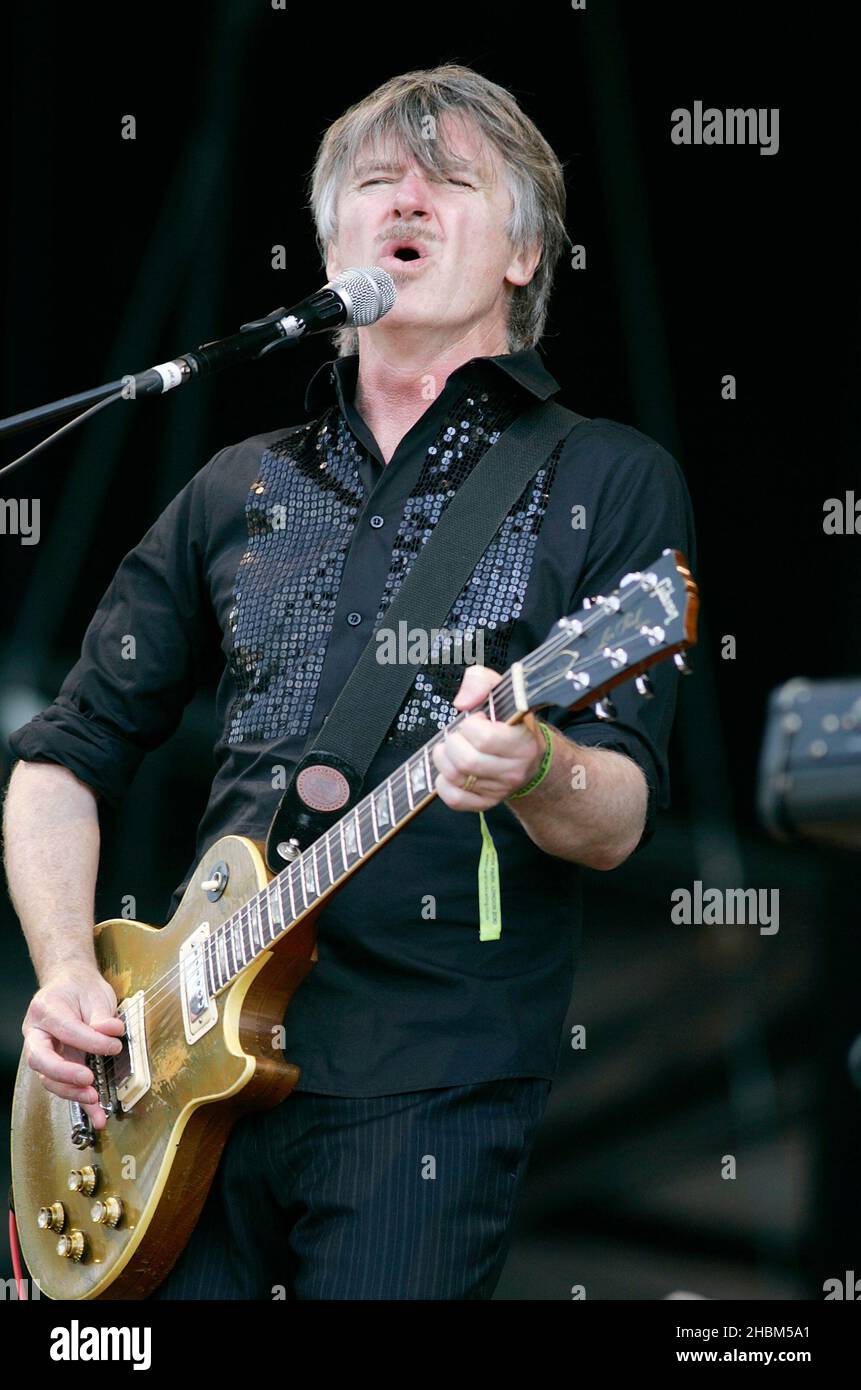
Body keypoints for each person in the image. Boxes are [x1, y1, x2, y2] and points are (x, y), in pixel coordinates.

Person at [3, 63, 696, 1299]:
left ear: (527, 255)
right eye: (376, 183)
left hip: (429, 1075)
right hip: (169, 1081)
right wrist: (65, 972)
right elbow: (62, 754)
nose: (405, 201)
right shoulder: (237, 486)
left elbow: (619, 819)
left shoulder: (607, 476)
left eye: (451, 181)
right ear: (332, 245)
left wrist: (535, 762)